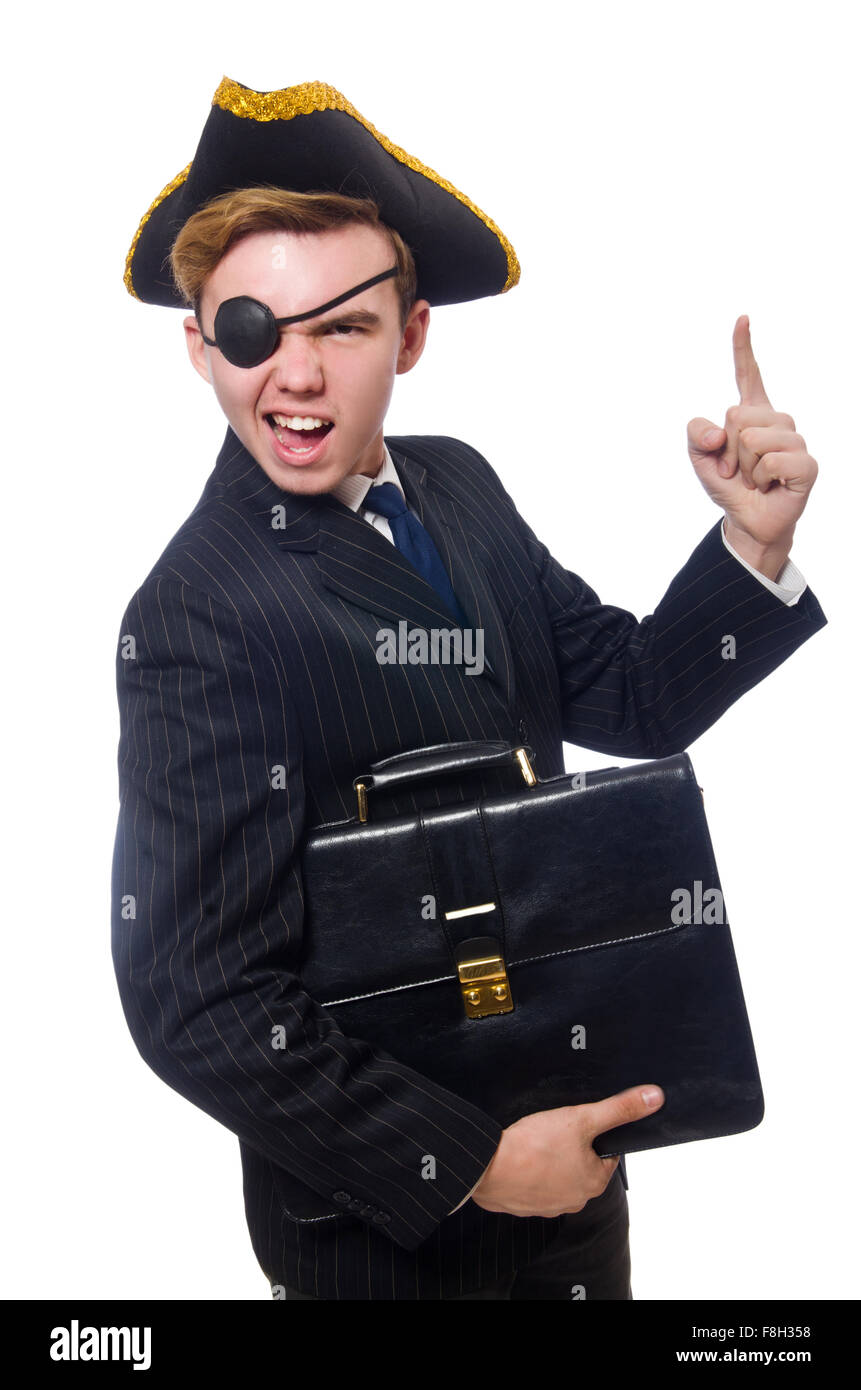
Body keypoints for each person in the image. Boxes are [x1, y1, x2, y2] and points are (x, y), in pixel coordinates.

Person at [111, 77, 826, 1301]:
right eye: (250, 330)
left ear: (412, 333)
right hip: (392, 1249)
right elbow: (196, 1000)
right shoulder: (196, 614)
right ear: (198, 343)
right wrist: (473, 1162)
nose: (294, 375)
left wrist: (752, 543)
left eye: (340, 326)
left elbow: (630, 694)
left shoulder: (462, 487)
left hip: (580, 1186)